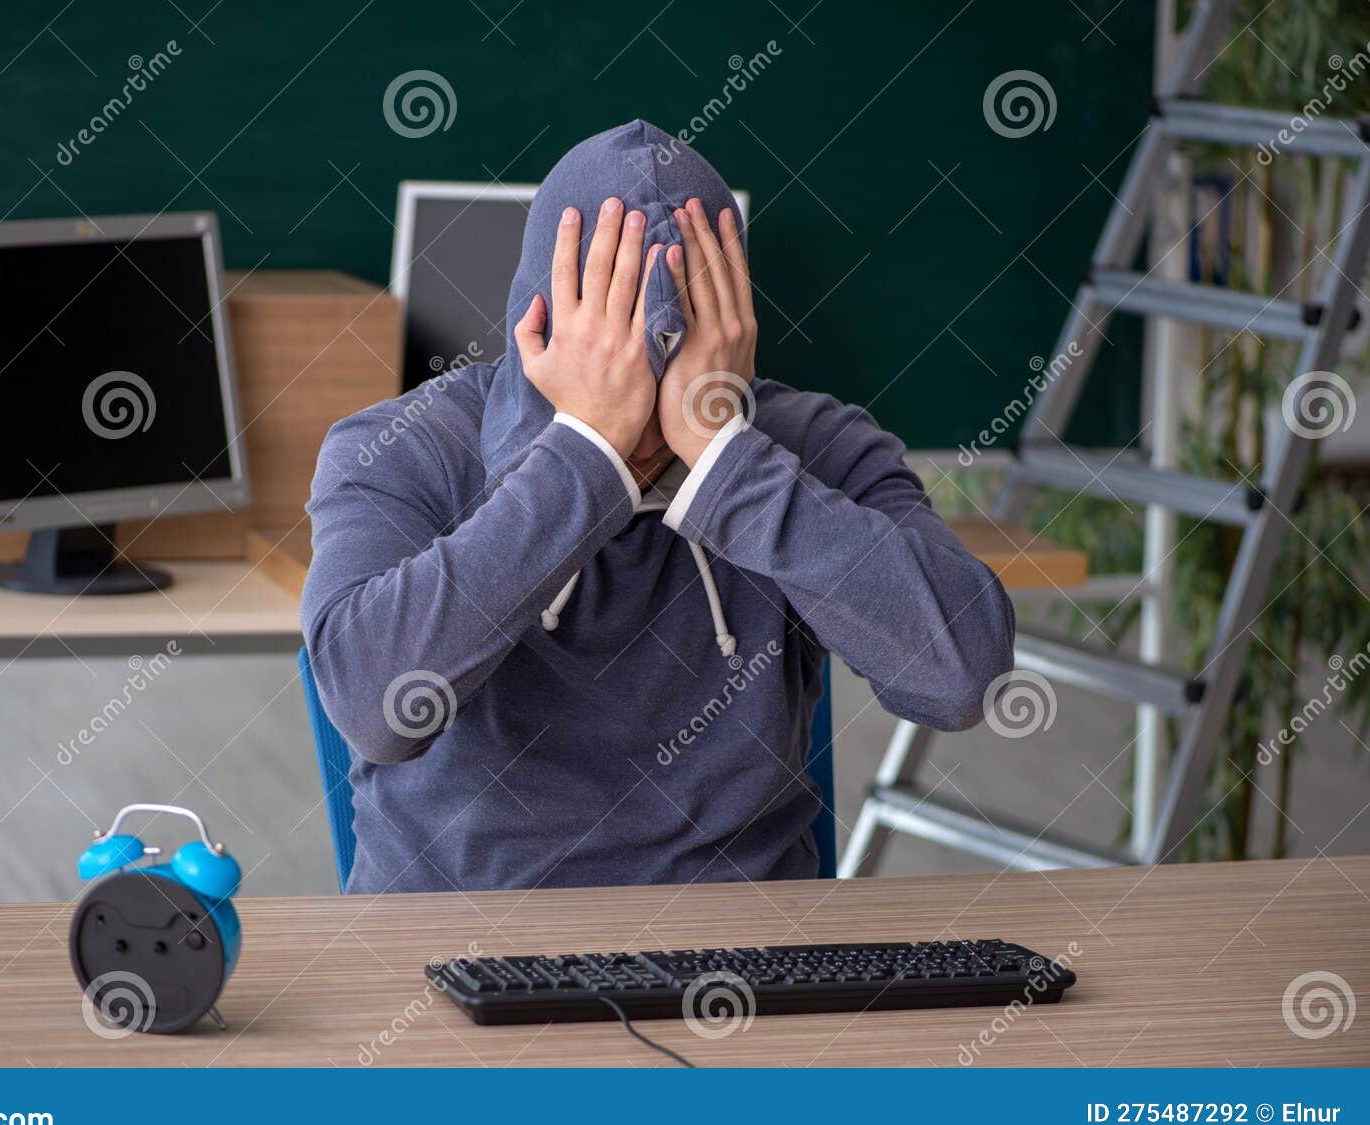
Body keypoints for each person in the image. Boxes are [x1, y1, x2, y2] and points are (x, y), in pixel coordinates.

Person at [301, 121, 1014, 893]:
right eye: (613, 367)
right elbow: (375, 709)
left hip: (748, 965)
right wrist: (582, 455)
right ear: (538, 331)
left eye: (673, 370)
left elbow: (964, 680)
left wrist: (727, 462)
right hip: (463, 954)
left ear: (733, 332)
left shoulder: (816, 447)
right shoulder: (401, 447)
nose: (642, 423)